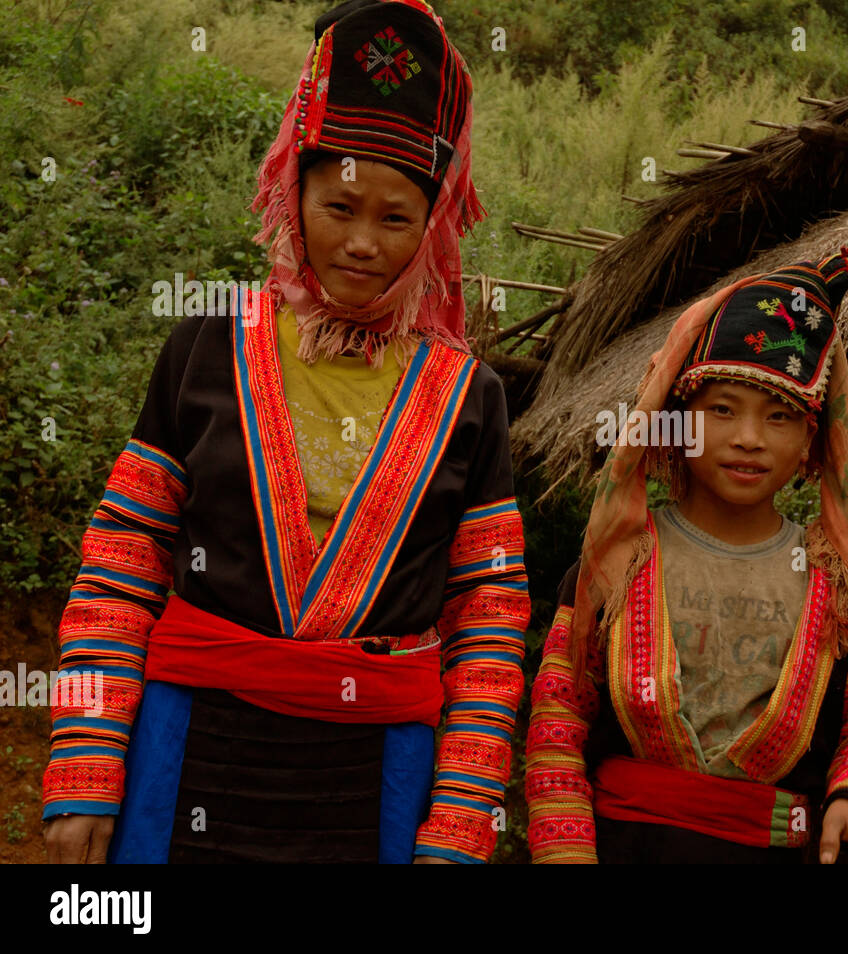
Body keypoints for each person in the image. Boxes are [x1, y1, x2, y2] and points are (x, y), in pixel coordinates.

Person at [41, 0, 529, 864]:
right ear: (292, 189)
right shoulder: (205, 346)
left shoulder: (470, 398)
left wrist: (458, 825)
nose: (363, 244)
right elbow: (122, 561)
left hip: (376, 773)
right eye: (339, 206)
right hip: (184, 750)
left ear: (434, 228)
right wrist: (86, 762)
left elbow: (487, 623)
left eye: (395, 218)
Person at [525, 248, 848, 863]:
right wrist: (564, 852)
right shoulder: (617, 562)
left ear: (811, 440)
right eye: (721, 410)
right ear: (679, 422)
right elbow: (558, 720)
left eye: (779, 417)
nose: (749, 438)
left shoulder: (831, 582)